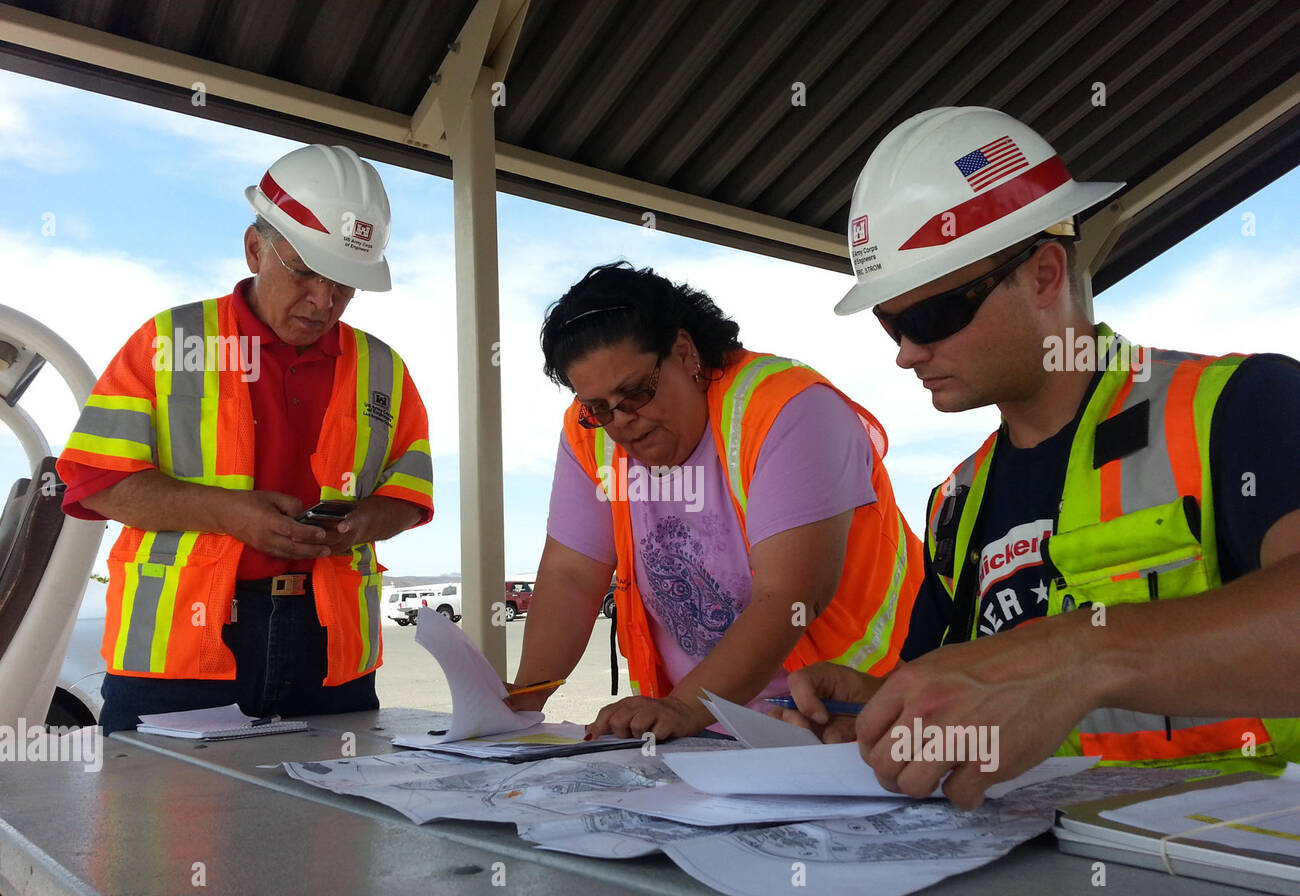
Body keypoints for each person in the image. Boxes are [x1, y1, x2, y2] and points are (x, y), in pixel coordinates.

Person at [780, 106, 1300, 807]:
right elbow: (973, 694)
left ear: (1046, 273)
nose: (906, 352)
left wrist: (1081, 653)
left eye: (930, 317)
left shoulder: (1242, 408)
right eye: (890, 323)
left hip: (1235, 884)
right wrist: (879, 714)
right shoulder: (953, 506)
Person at [57, 144, 434, 734]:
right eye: (305, 272)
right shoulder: (169, 340)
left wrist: (364, 521)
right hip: (179, 646)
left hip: (330, 648)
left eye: (344, 284)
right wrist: (228, 513)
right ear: (255, 248)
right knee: (163, 822)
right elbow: (95, 482)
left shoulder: (383, 370)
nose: (323, 301)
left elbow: (409, 495)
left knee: (337, 826)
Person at [508, 261, 923, 740]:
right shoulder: (591, 436)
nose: (621, 421)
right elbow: (572, 575)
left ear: (685, 353)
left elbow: (788, 595)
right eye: (598, 408)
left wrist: (682, 709)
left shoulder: (787, 407)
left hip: (860, 716)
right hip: (707, 730)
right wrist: (523, 699)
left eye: (636, 392)